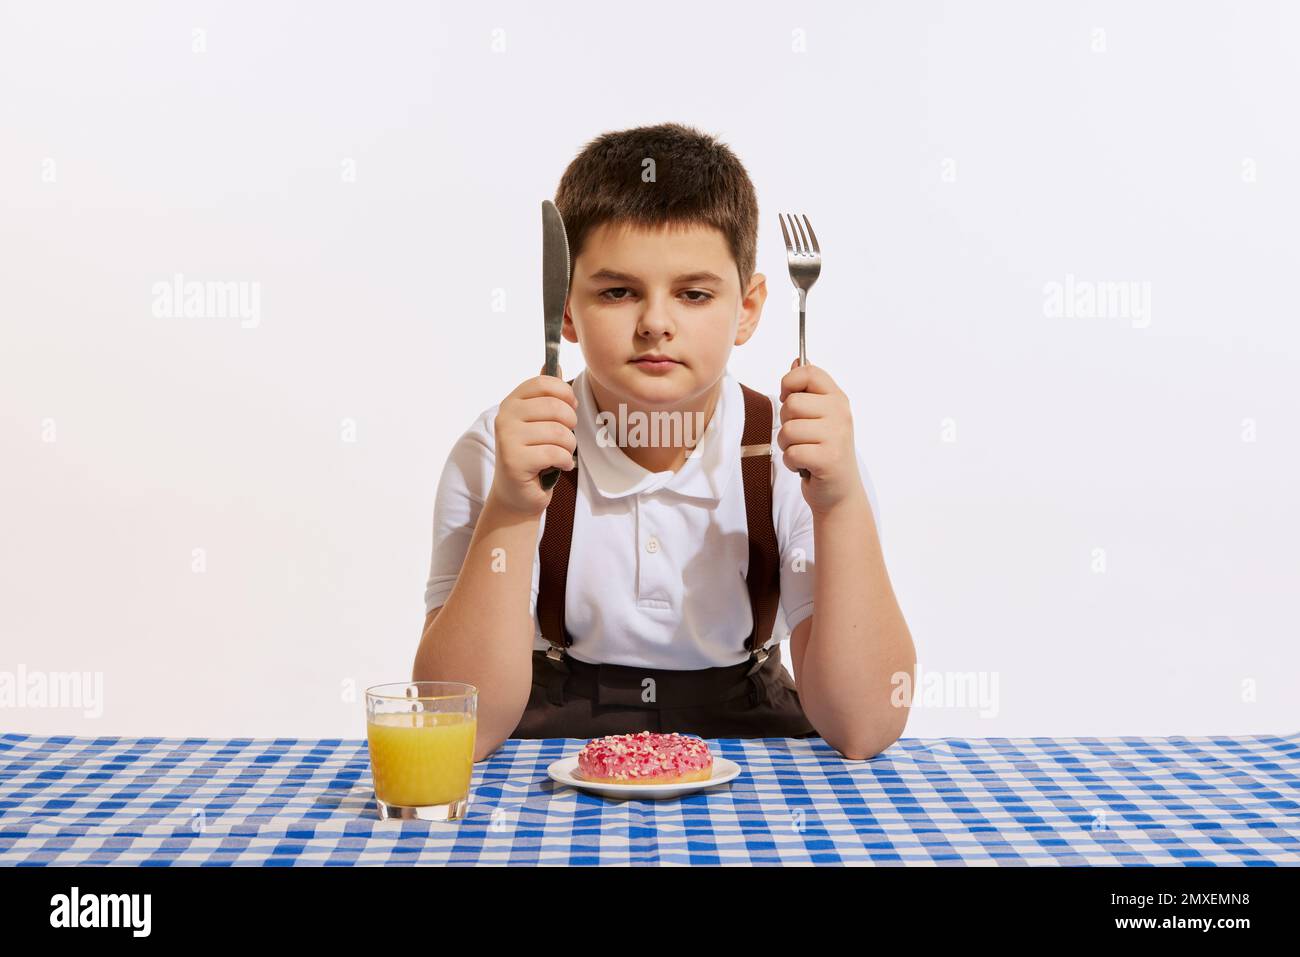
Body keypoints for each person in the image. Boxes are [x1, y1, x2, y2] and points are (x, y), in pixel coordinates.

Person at [414, 122, 914, 762]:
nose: (655, 323)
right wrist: (511, 509)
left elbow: (866, 725)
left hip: (755, 772)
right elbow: (455, 730)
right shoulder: (498, 450)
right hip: (548, 780)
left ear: (749, 309)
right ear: (565, 309)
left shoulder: (797, 456)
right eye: (617, 292)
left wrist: (840, 505)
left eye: (694, 294)